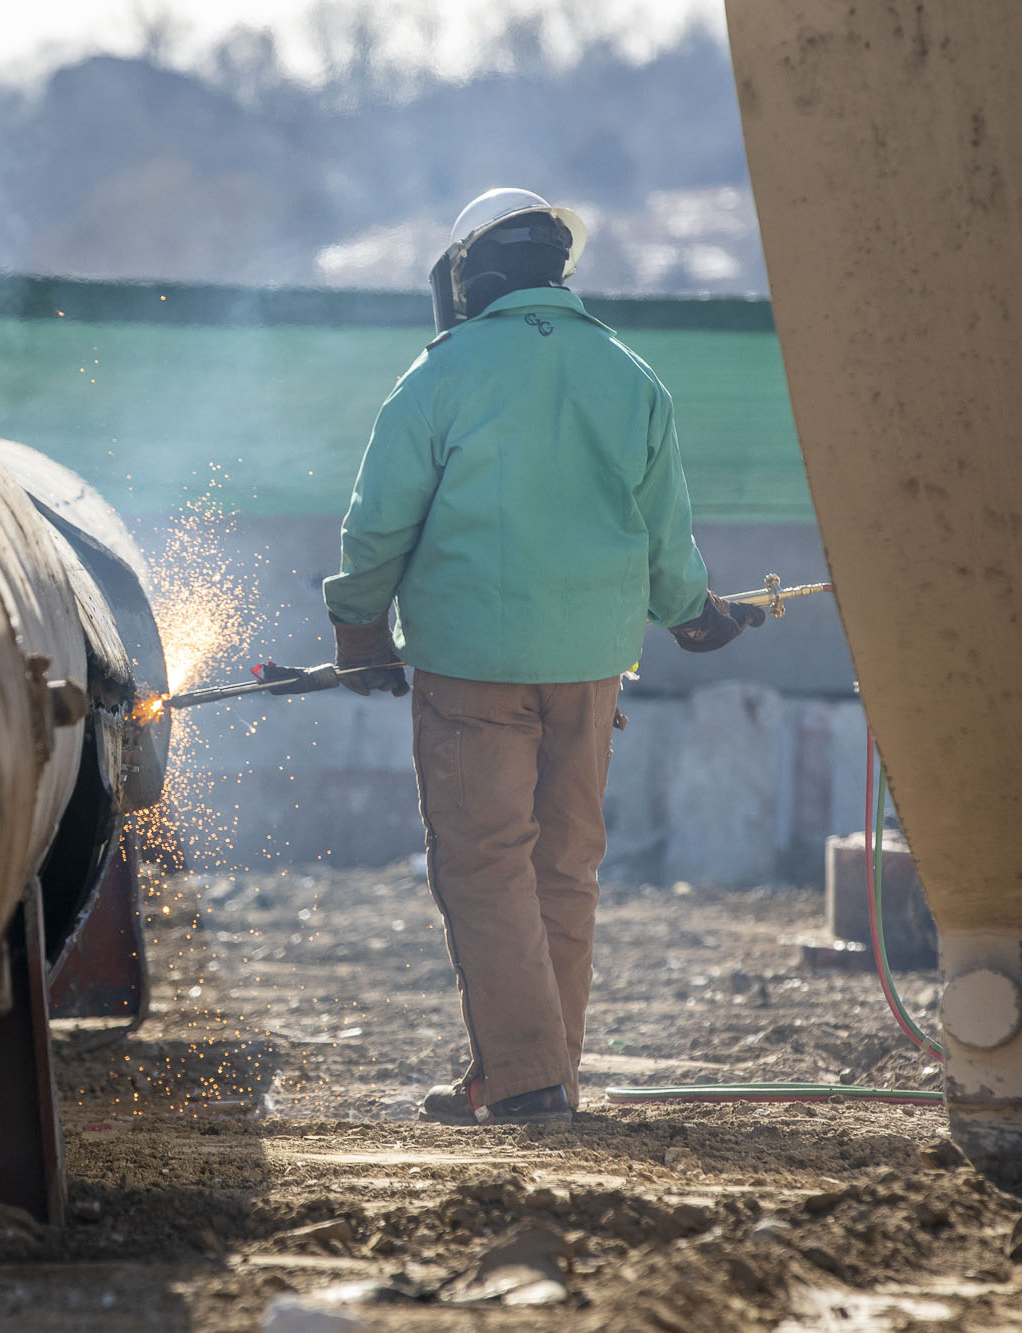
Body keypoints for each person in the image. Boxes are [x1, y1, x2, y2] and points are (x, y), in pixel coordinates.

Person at [320, 187, 763, 1126]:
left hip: (471, 666)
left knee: (485, 867)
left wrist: (360, 628)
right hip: (591, 671)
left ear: (471, 274)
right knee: (564, 867)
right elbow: (666, 543)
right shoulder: (630, 375)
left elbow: (378, 521)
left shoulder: (440, 374)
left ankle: (524, 1083)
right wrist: (693, 614)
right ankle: (542, 1071)